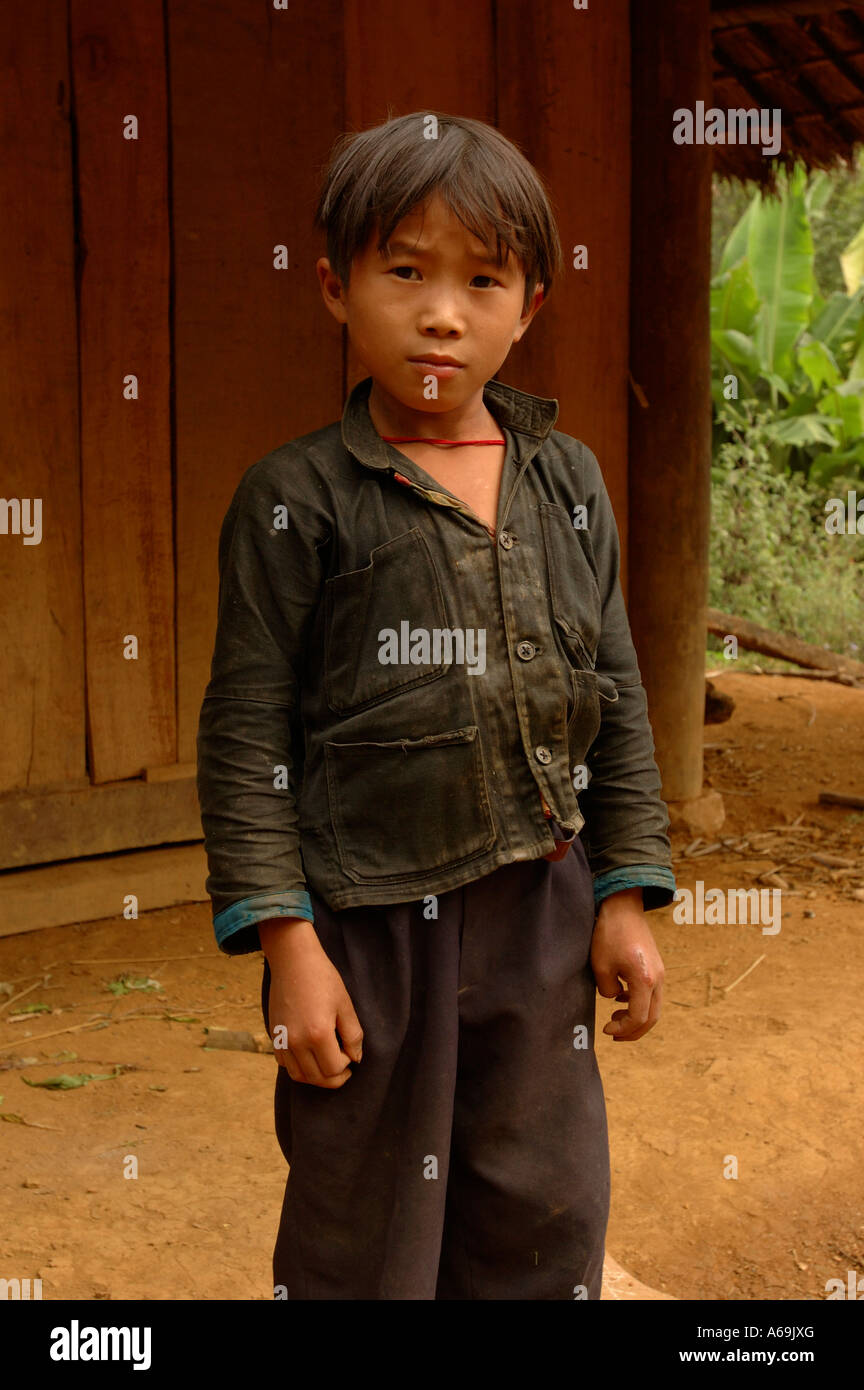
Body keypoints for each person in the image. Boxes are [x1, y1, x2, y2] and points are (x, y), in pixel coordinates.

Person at [196, 111, 677, 1301]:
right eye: (404, 271)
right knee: (365, 1216)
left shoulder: (567, 479)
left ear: (531, 307)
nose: (442, 312)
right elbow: (247, 729)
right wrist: (286, 940)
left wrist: (624, 890)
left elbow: (614, 690)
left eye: (483, 279)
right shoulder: (297, 497)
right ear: (334, 286)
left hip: (542, 906)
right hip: (365, 923)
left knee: (537, 1195)